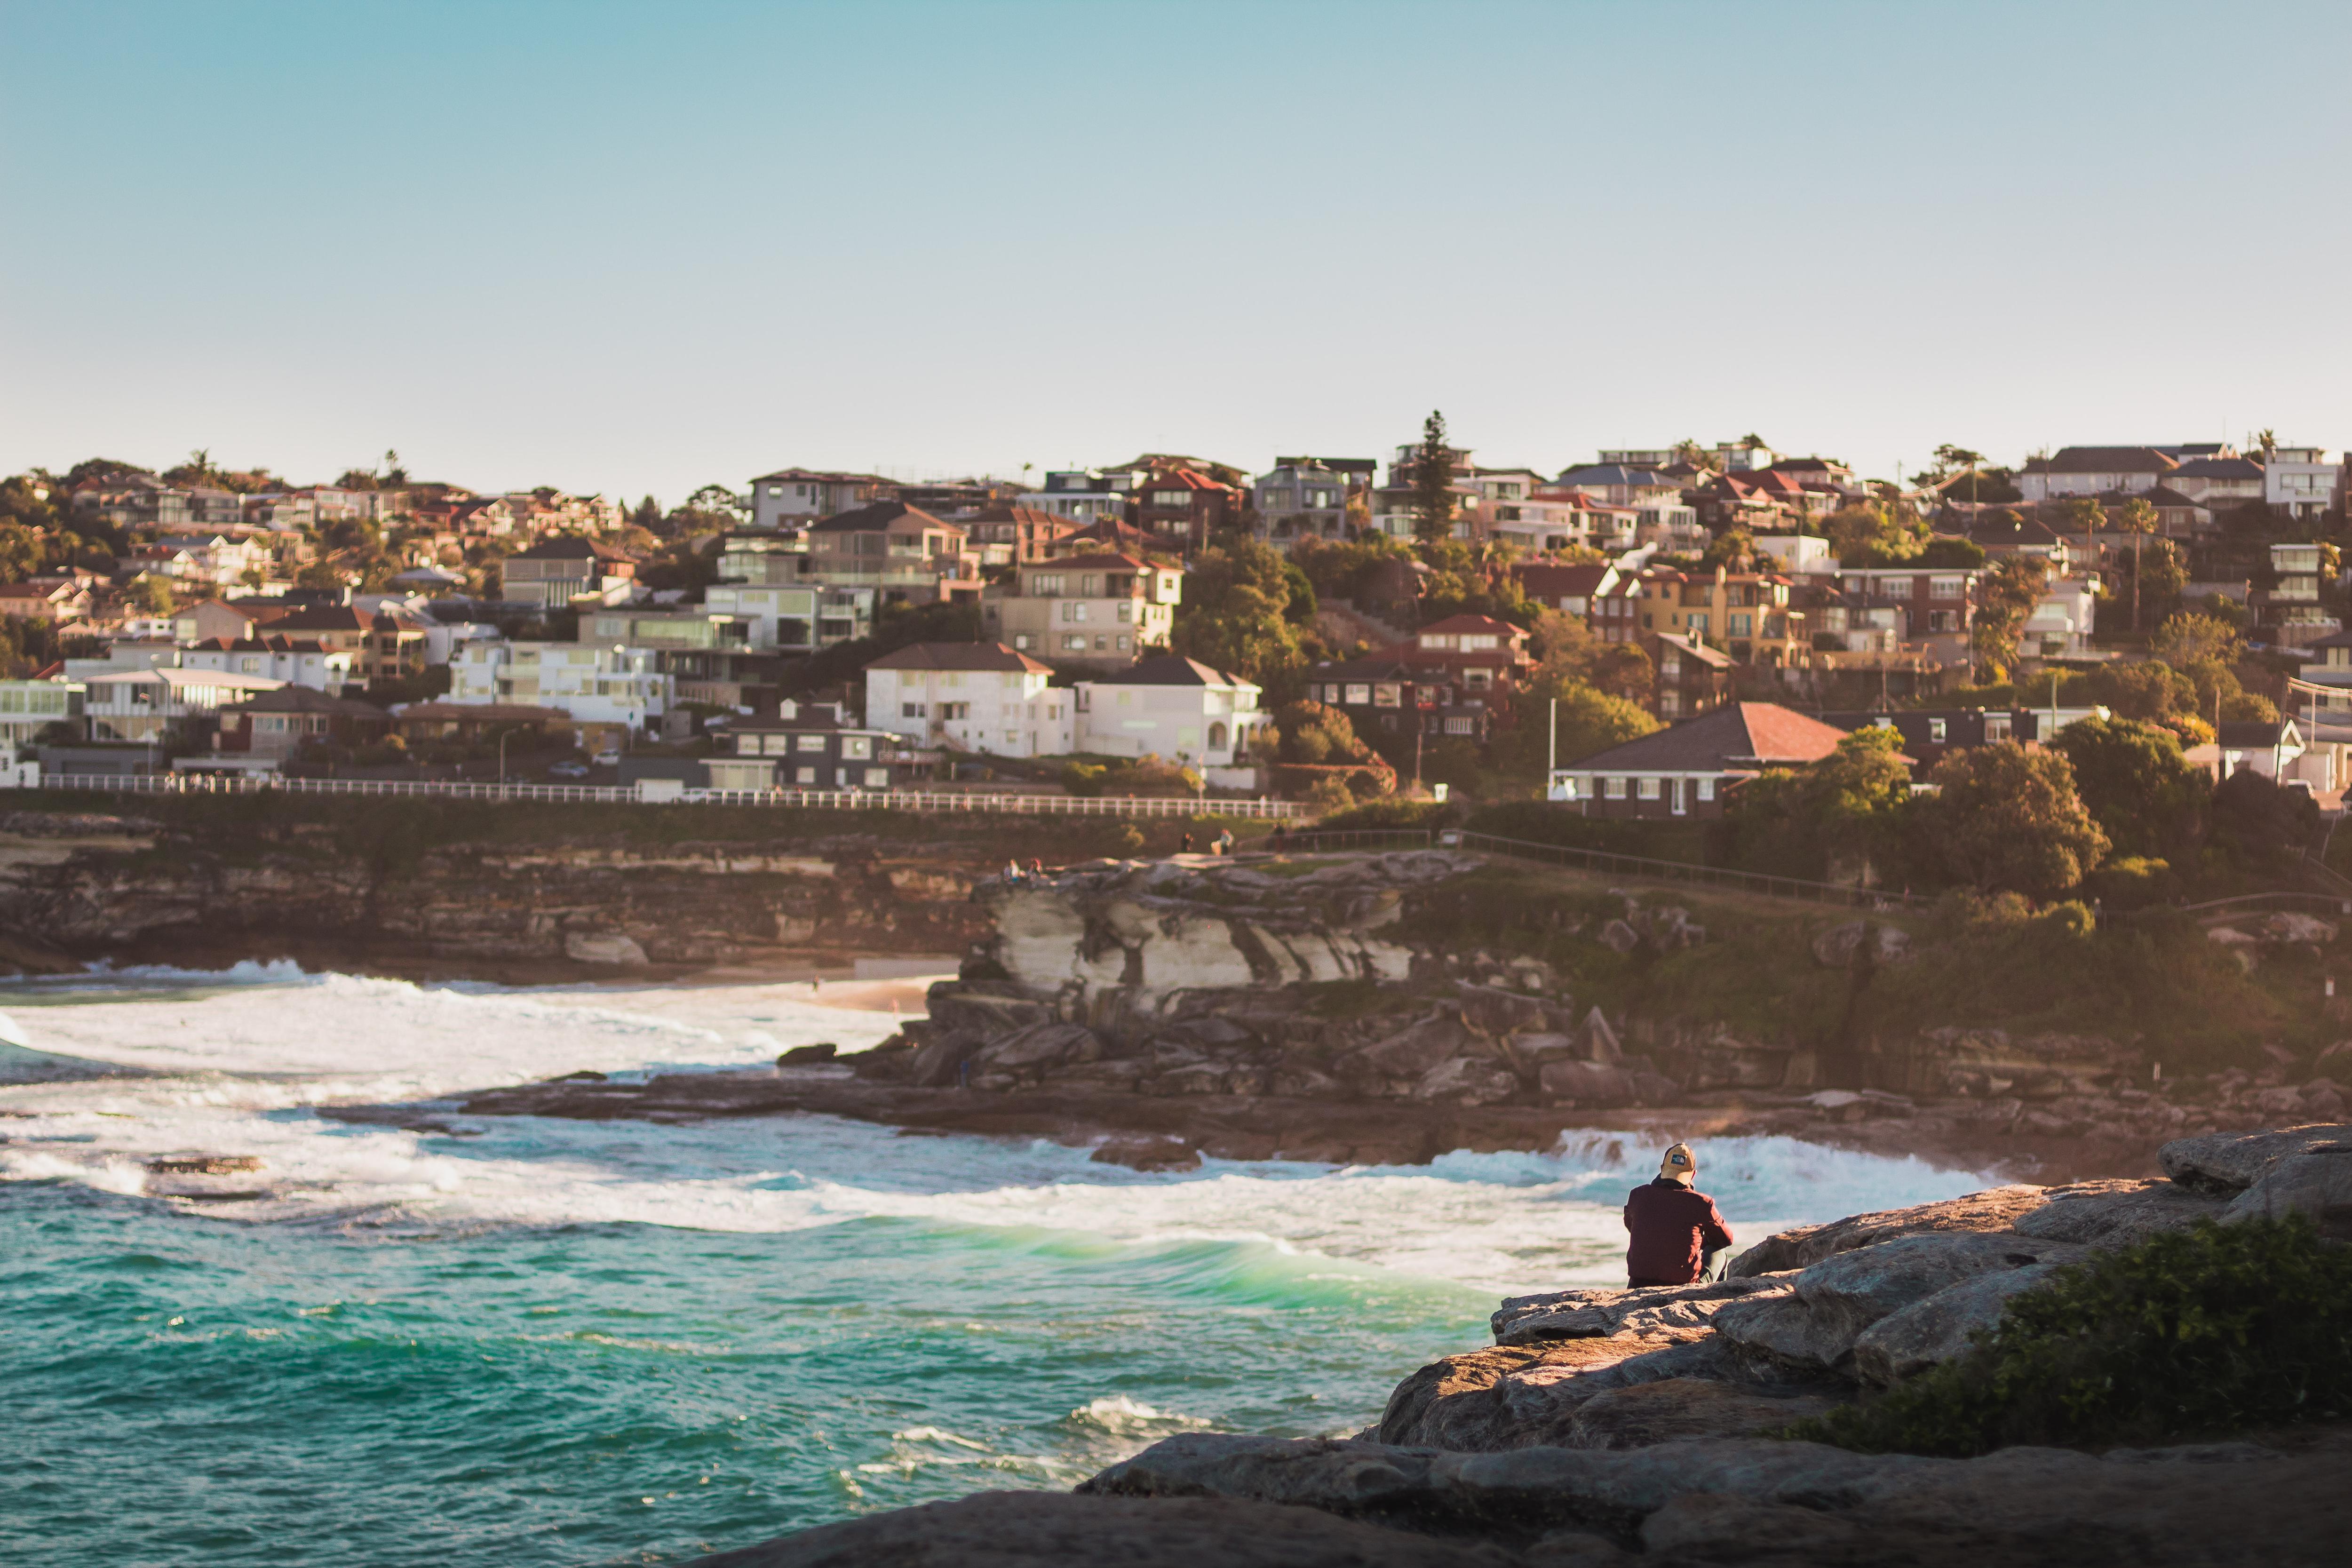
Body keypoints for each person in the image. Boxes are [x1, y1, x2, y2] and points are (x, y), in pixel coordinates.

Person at [1622, 1141, 1735, 1288]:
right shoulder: (1702, 1203)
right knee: (1719, 1253)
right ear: (1693, 1174)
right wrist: (1700, 1241)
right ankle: (1717, 1303)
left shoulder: (1638, 1195)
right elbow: (1726, 1239)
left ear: (1662, 1169)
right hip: (1683, 1288)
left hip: (1638, 1285)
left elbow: (1632, 1225)